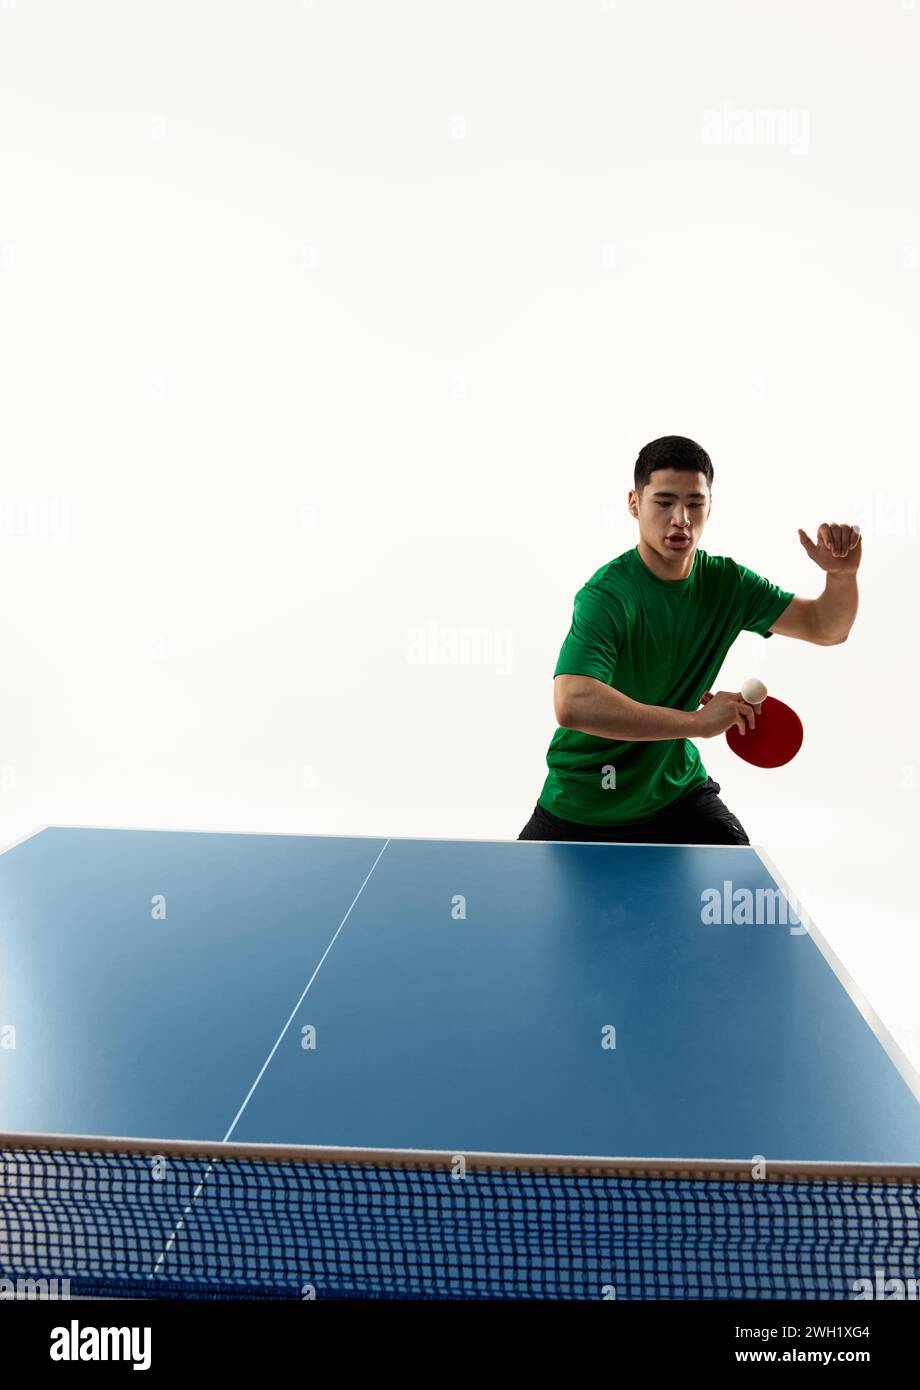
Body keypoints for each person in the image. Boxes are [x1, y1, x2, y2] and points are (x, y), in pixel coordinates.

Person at [518, 435, 861, 845]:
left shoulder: (728, 583)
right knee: (519, 910)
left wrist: (841, 575)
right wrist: (698, 723)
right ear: (634, 504)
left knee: (745, 902)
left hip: (675, 793)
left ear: (709, 506)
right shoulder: (607, 596)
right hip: (584, 800)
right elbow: (573, 702)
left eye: (695, 504)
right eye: (664, 502)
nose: (681, 518)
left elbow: (827, 627)